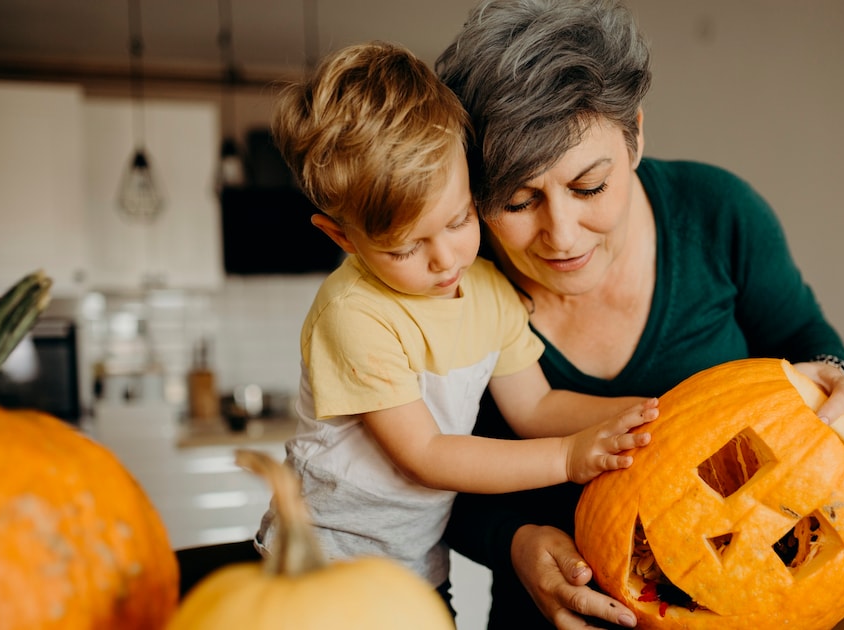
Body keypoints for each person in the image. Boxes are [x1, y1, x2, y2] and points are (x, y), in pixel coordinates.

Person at [434, 1, 844, 627]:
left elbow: (803, 338)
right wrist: (514, 541)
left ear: (633, 133)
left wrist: (837, 381)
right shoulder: (448, 282)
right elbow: (423, 479)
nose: (562, 235)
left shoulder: (718, 213)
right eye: (519, 201)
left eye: (589, 187)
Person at [252, 41, 660, 613]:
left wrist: (656, 416)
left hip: (417, 568)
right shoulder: (355, 315)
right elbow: (425, 453)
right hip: (323, 572)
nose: (446, 258)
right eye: (407, 246)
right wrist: (567, 458)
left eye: (460, 218)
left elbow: (537, 407)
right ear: (341, 237)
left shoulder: (488, 289)